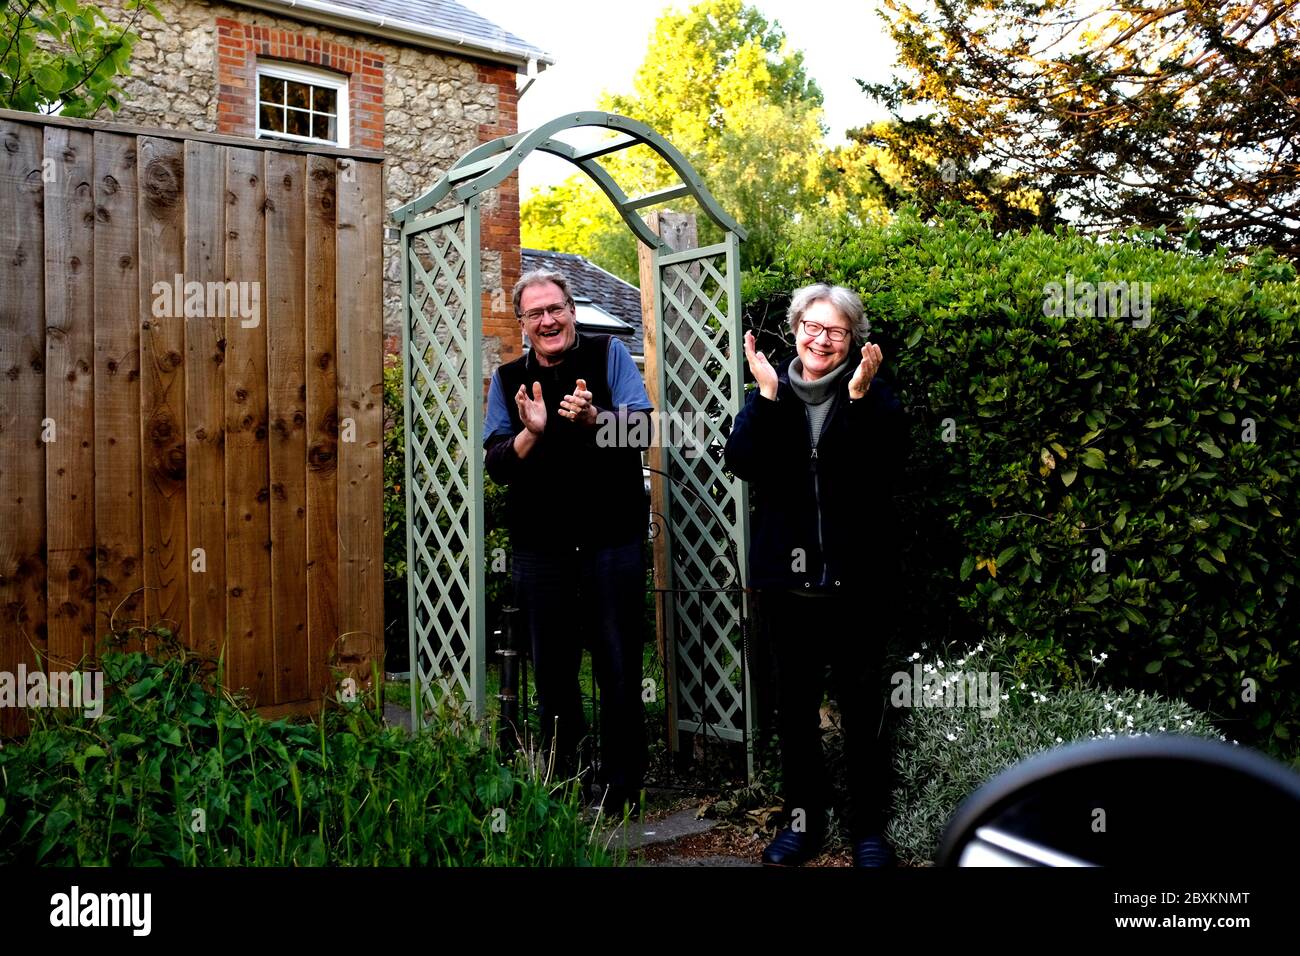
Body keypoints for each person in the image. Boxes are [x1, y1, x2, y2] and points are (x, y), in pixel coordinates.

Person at [724, 283, 908, 867]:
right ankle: (801, 825)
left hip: (856, 587)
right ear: (795, 328)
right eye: (811, 326)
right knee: (794, 713)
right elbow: (744, 462)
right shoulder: (771, 392)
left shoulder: (875, 399)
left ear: (853, 340)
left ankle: (868, 831)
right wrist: (768, 398)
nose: (820, 339)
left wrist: (856, 401)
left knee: (860, 712)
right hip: (788, 588)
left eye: (834, 331)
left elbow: (880, 472)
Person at [484, 268, 653, 814]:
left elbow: (646, 430)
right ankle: (567, 782)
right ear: (522, 323)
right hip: (541, 547)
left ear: (572, 310)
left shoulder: (609, 357)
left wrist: (593, 420)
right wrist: (531, 433)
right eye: (535, 313)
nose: (548, 320)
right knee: (553, 670)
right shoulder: (507, 379)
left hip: (612, 540)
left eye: (556, 308)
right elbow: (497, 464)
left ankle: (623, 787)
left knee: (618, 663)